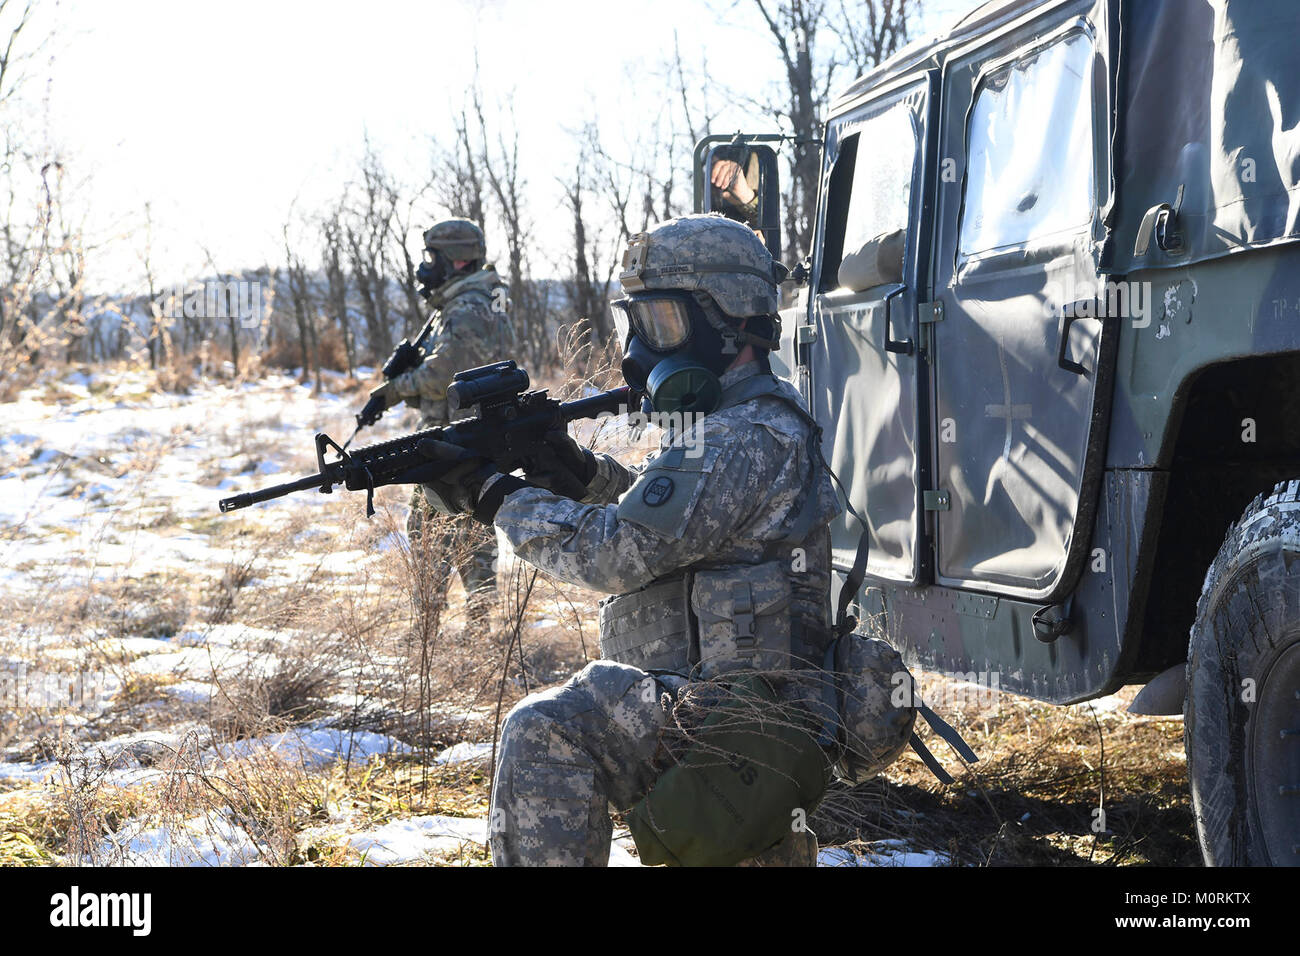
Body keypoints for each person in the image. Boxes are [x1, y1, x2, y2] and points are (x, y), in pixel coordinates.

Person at [421, 213, 852, 866]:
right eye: (637, 323)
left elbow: (618, 553)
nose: (641, 349)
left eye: (661, 325)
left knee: (548, 732)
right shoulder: (748, 422)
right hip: (741, 708)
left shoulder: (739, 436)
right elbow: (678, 529)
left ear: (731, 321)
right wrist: (582, 478)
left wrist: (491, 495)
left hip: (738, 719)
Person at [368, 217, 512, 636]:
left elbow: (446, 371)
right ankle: (479, 626)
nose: (426, 266)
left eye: (433, 256)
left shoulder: (467, 304)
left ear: (456, 257)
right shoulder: (489, 295)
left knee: (430, 530)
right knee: (475, 527)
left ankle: (427, 630)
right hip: (475, 433)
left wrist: (393, 391)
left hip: (451, 438)